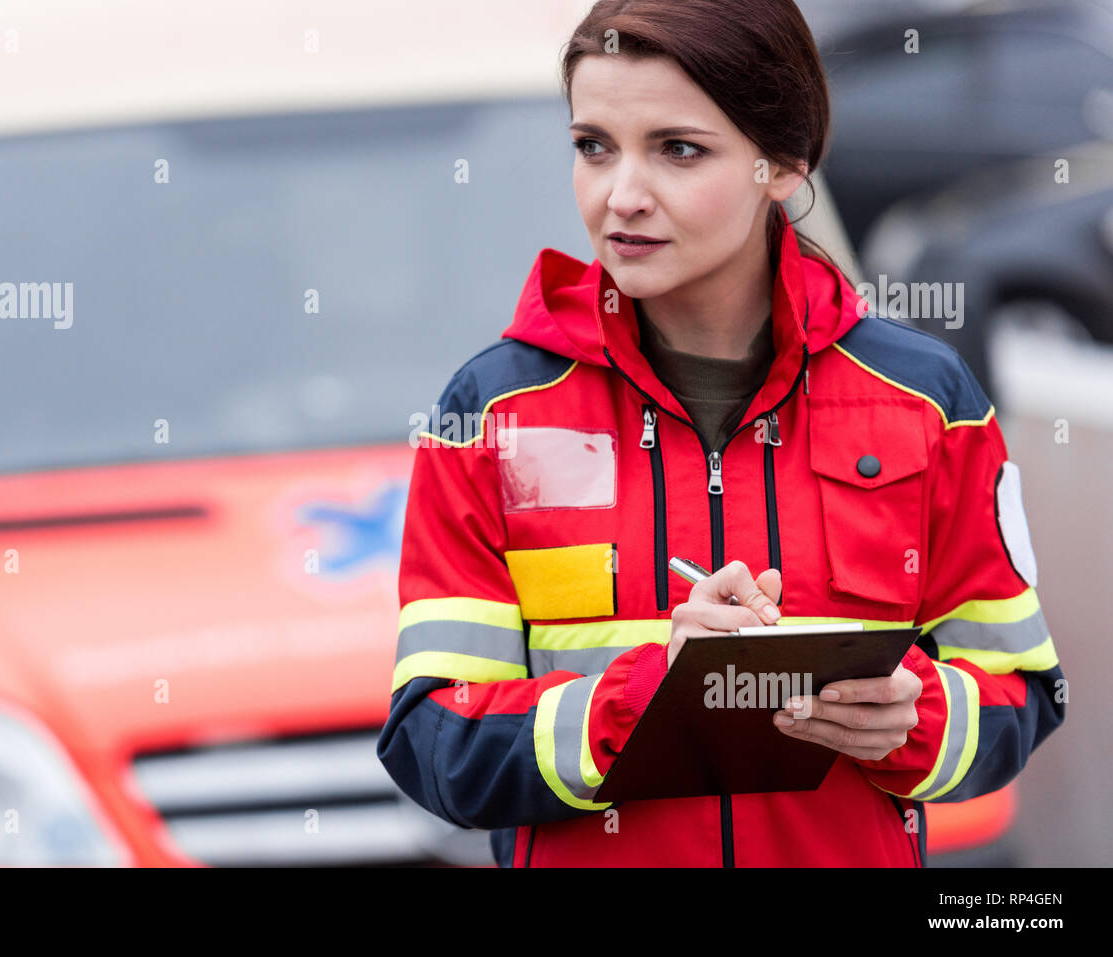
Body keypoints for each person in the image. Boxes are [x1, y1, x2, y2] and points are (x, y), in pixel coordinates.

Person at [377, 0, 1065, 867]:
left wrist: (915, 717)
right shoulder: (489, 414)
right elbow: (434, 746)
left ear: (780, 163)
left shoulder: (926, 399)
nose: (621, 194)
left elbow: (1025, 695)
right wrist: (639, 700)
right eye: (594, 146)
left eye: (678, 149)